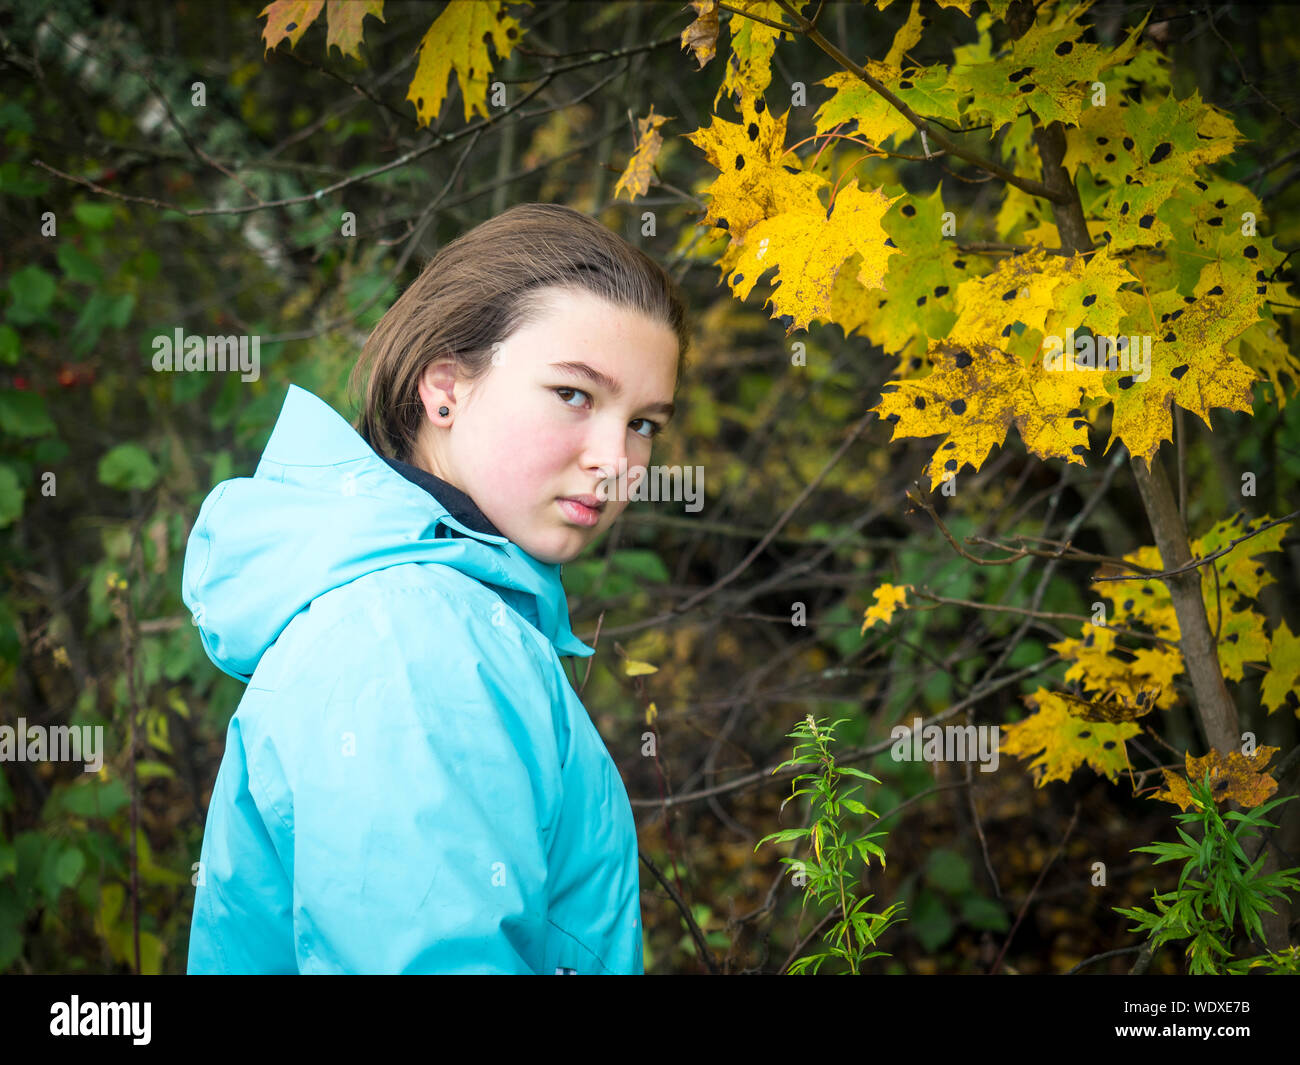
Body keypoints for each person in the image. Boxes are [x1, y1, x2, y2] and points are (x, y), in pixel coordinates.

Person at [183, 202, 690, 974]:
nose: (617, 459)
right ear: (445, 389)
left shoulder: (435, 612)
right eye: (576, 395)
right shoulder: (409, 637)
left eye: (644, 422)